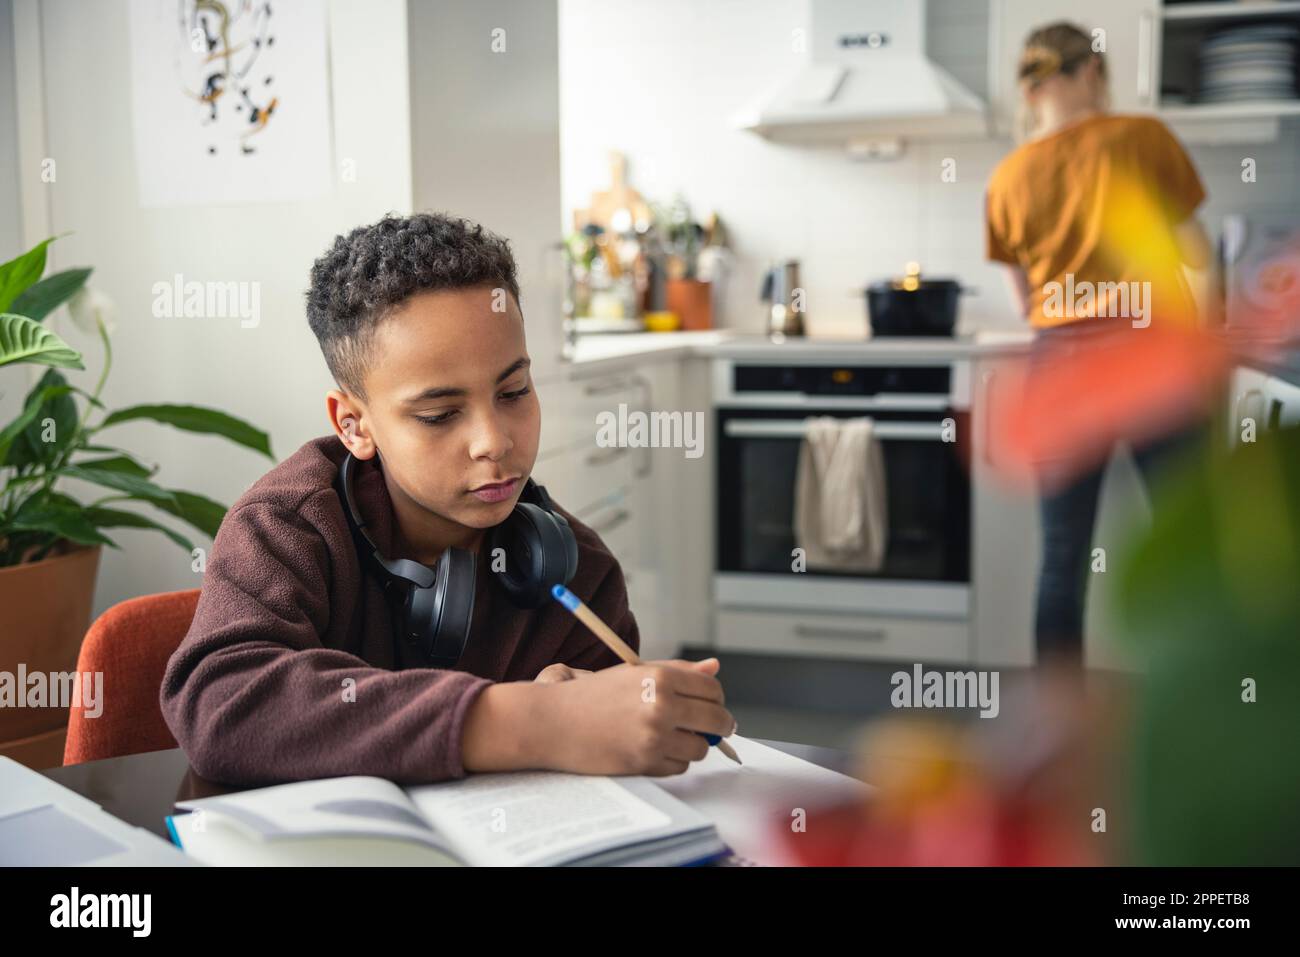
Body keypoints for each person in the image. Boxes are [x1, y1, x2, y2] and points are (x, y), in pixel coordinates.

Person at [160, 212, 734, 785]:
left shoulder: (579, 572)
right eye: (439, 414)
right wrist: (529, 721)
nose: (494, 442)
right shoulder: (287, 528)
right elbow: (221, 704)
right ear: (354, 425)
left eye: (514, 391)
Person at [984, 22, 1213, 667]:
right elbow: (1194, 253)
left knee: (1063, 556)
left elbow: (1025, 300)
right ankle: (1188, 700)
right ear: (1090, 72)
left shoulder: (1009, 176)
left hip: (1060, 363)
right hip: (1149, 354)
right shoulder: (1142, 138)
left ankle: (1058, 716)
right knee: (1187, 546)